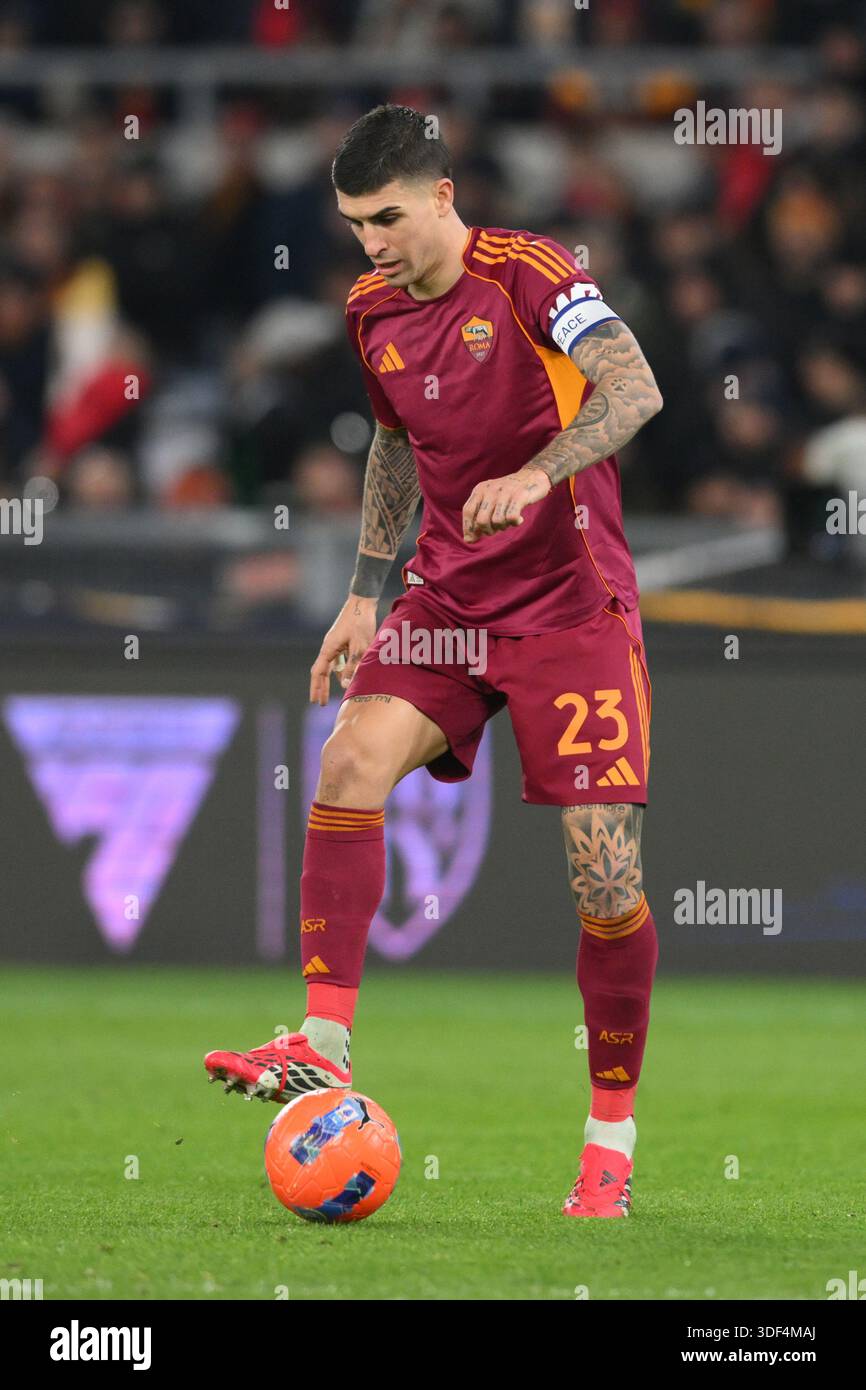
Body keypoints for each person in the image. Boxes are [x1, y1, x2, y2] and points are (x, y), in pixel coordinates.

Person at [205, 105, 663, 1219]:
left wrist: (541, 472)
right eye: (355, 225)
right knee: (348, 759)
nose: (372, 244)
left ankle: (608, 1138)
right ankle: (321, 1044)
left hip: (570, 608)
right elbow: (396, 444)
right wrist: (366, 590)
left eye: (389, 218)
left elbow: (635, 388)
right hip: (449, 597)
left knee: (604, 879)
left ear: (443, 197)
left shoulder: (531, 275)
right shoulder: (371, 311)